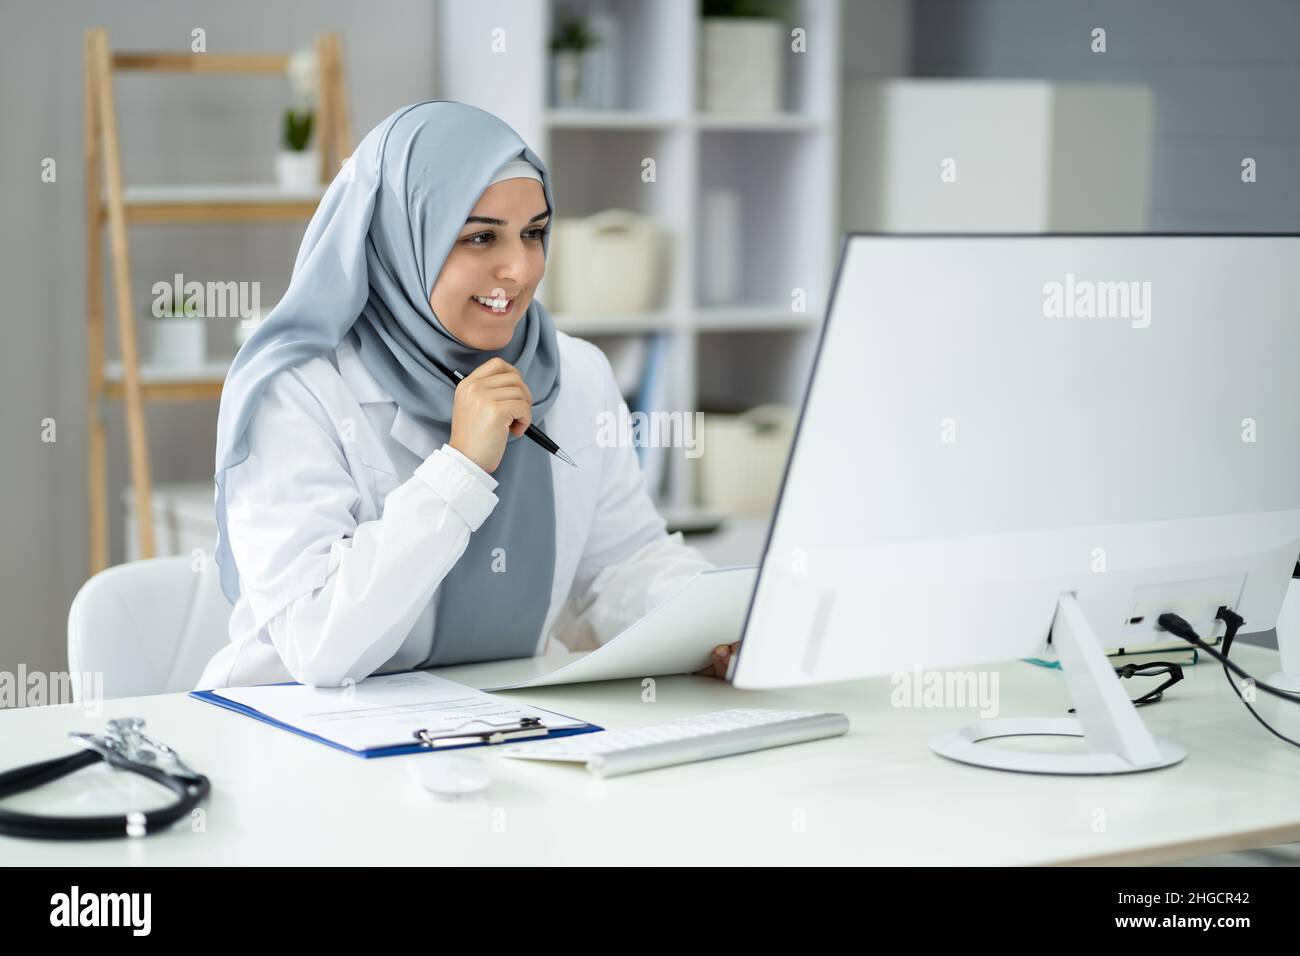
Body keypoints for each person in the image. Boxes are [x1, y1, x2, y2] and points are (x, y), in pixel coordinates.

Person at [195, 100, 738, 689]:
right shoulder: (297, 389)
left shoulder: (573, 372)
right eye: (480, 237)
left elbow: (618, 568)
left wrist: (715, 622)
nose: (519, 269)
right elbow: (318, 645)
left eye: (533, 233)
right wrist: (460, 469)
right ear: (399, 240)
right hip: (296, 733)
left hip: (493, 726)